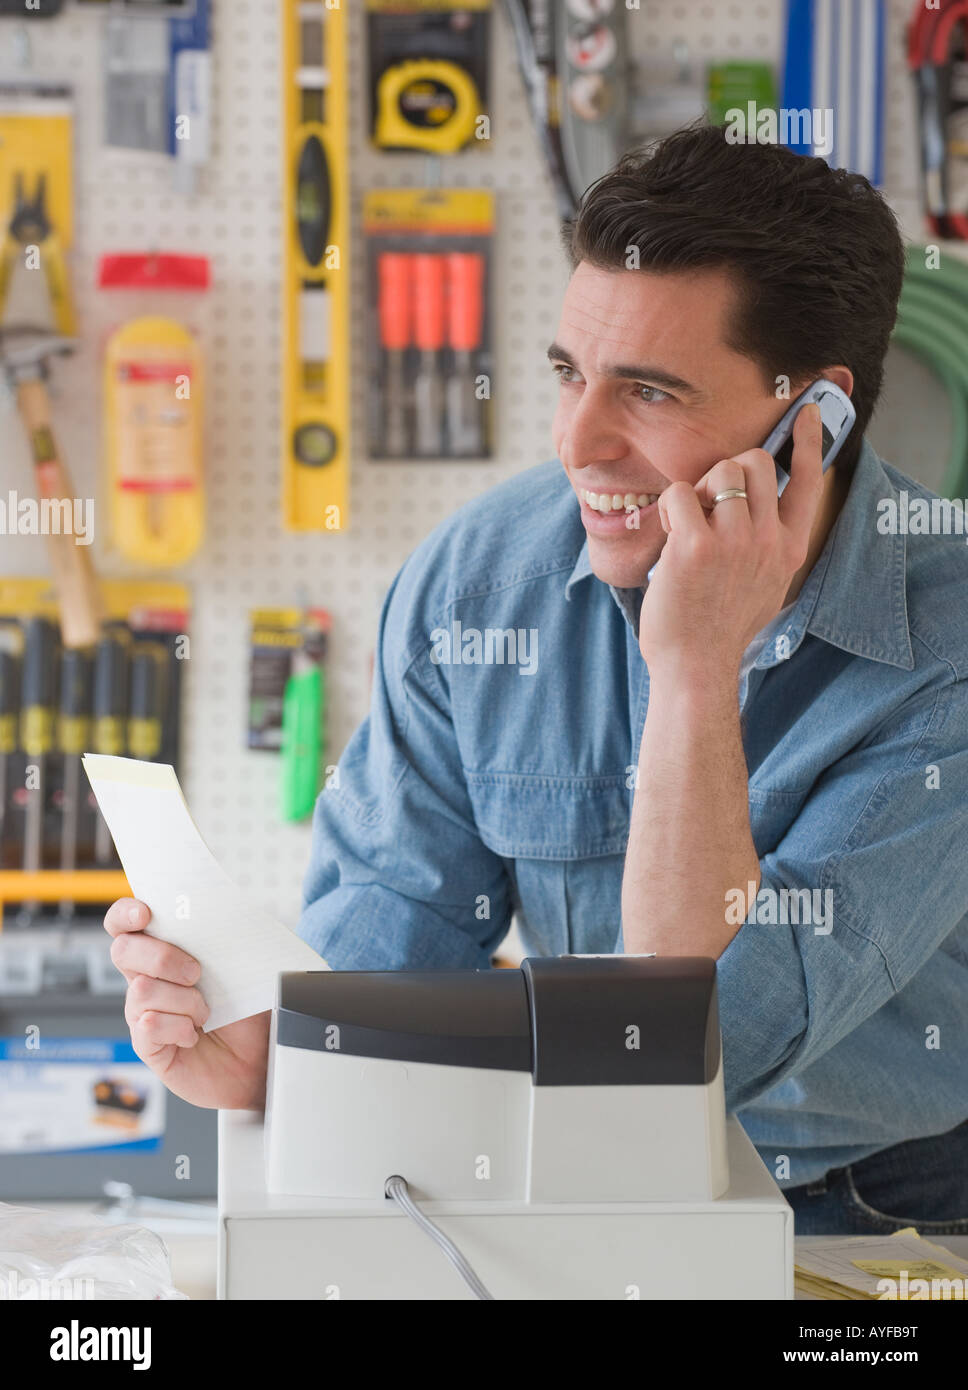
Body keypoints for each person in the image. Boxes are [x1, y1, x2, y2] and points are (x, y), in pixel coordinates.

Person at [104, 125, 968, 1235]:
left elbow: (686, 1046)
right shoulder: (479, 584)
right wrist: (279, 1062)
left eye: (649, 393)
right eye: (569, 373)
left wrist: (693, 671)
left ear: (814, 420)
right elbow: (395, 947)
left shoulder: (944, 651)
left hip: (888, 1208)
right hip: (568, 1170)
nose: (576, 442)